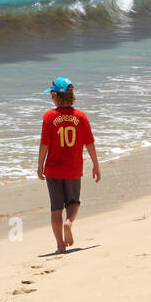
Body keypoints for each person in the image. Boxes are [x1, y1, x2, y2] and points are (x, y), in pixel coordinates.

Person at [37, 76, 101, 254]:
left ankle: (59, 246)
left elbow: (44, 144)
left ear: (55, 96)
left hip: (53, 169)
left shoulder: (49, 116)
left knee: (56, 208)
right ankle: (69, 223)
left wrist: (39, 165)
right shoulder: (80, 117)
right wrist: (96, 164)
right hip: (73, 169)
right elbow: (90, 143)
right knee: (73, 203)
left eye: (51, 95)